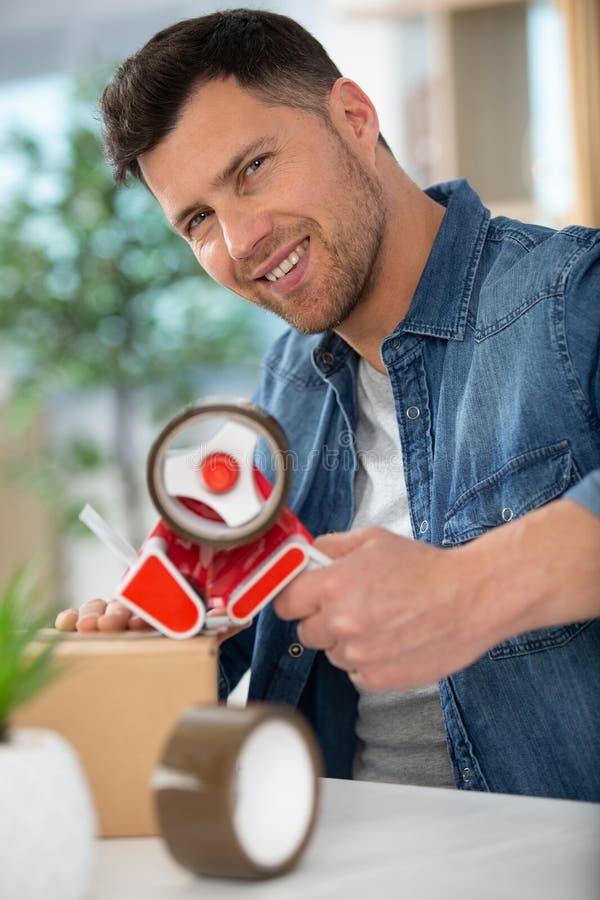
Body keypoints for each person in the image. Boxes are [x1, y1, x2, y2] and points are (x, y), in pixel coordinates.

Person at [59, 9, 600, 800]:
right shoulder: (287, 386)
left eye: (253, 167)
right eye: (199, 220)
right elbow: (237, 636)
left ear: (353, 118)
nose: (240, 241)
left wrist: (470, 588)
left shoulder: (569, 296)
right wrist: (167, 643)